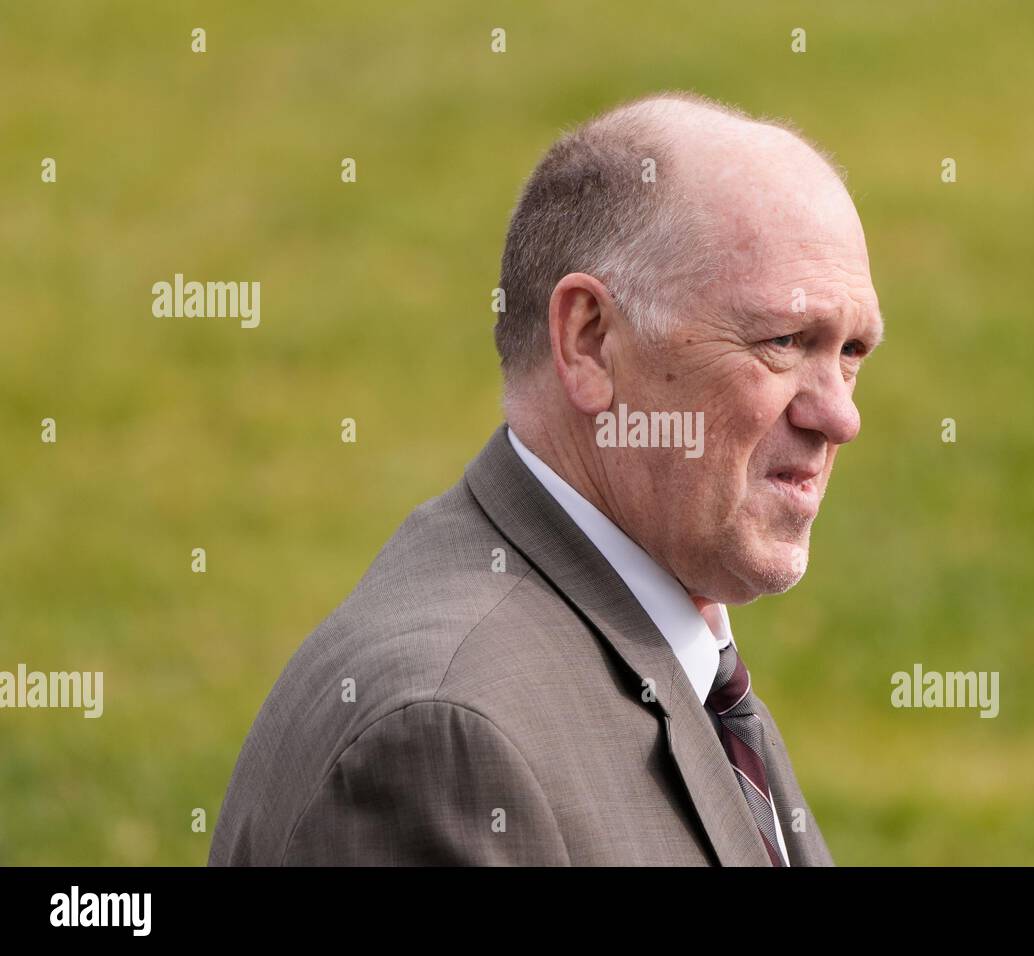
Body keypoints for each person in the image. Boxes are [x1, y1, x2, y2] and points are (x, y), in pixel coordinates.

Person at [209, 90, 884, 866]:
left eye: (853, 352)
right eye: (785, 340)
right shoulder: (445, 738)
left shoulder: (667, 646)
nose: (839, 416)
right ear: (591, 341)